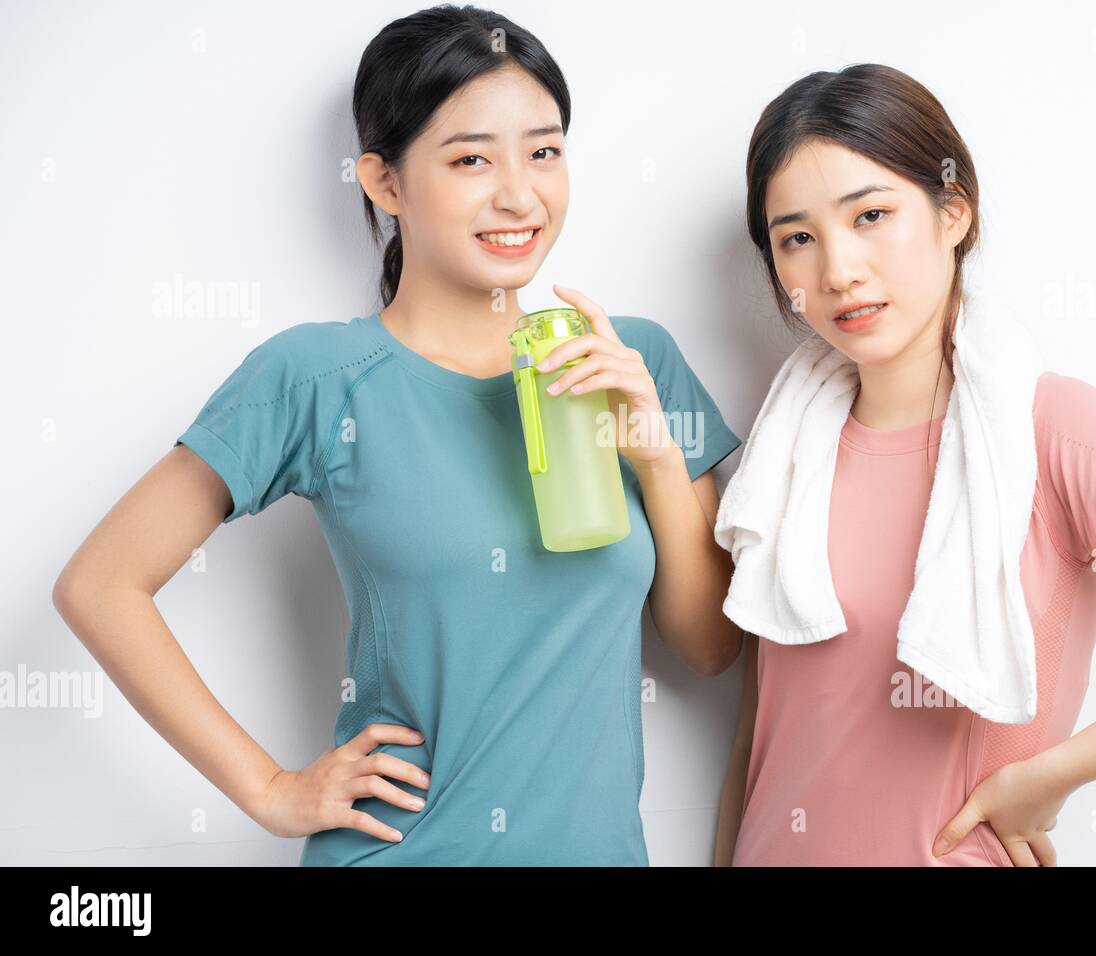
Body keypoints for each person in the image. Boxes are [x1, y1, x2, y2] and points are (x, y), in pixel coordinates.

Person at [51, 4, 744, 866]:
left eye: (545, 150)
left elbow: (711, 649)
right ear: (383, 183)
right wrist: (271, 789)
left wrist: (652, 448)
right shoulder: (316, 376)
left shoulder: (627, 357)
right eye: (469, 160)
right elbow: (100, 584)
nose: (519, 193)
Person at [714, 63, 1096, 866]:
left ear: (953, 212)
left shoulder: (1050, 428)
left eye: (872, 215)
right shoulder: (788, 450)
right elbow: (763, 729)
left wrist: (1051, 777)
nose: (838, 270)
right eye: (797, 239)